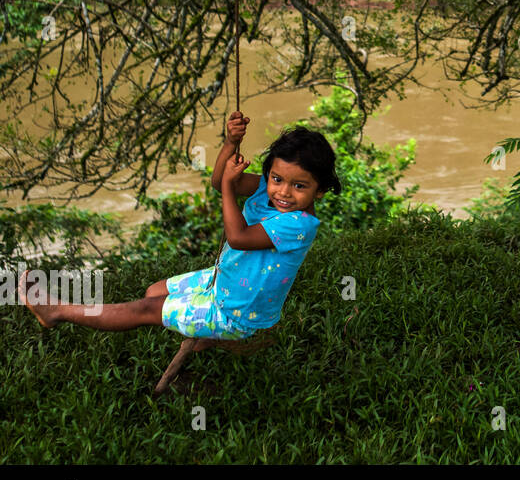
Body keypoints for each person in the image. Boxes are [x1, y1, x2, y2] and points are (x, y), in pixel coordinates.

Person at [21, 112, 340, 339]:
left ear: (320, 190)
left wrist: (230, 188)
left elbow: (239, 237)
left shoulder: (299, 224)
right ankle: (182, 320)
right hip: (222, 281)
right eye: (277, 179)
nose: (283, 192)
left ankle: (58, 311)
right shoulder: (265, 188)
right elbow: (218, 181)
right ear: (269, 173)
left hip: (235, 313)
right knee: (154, 291)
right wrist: (230, 143)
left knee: (144, 308)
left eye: (299, 186)